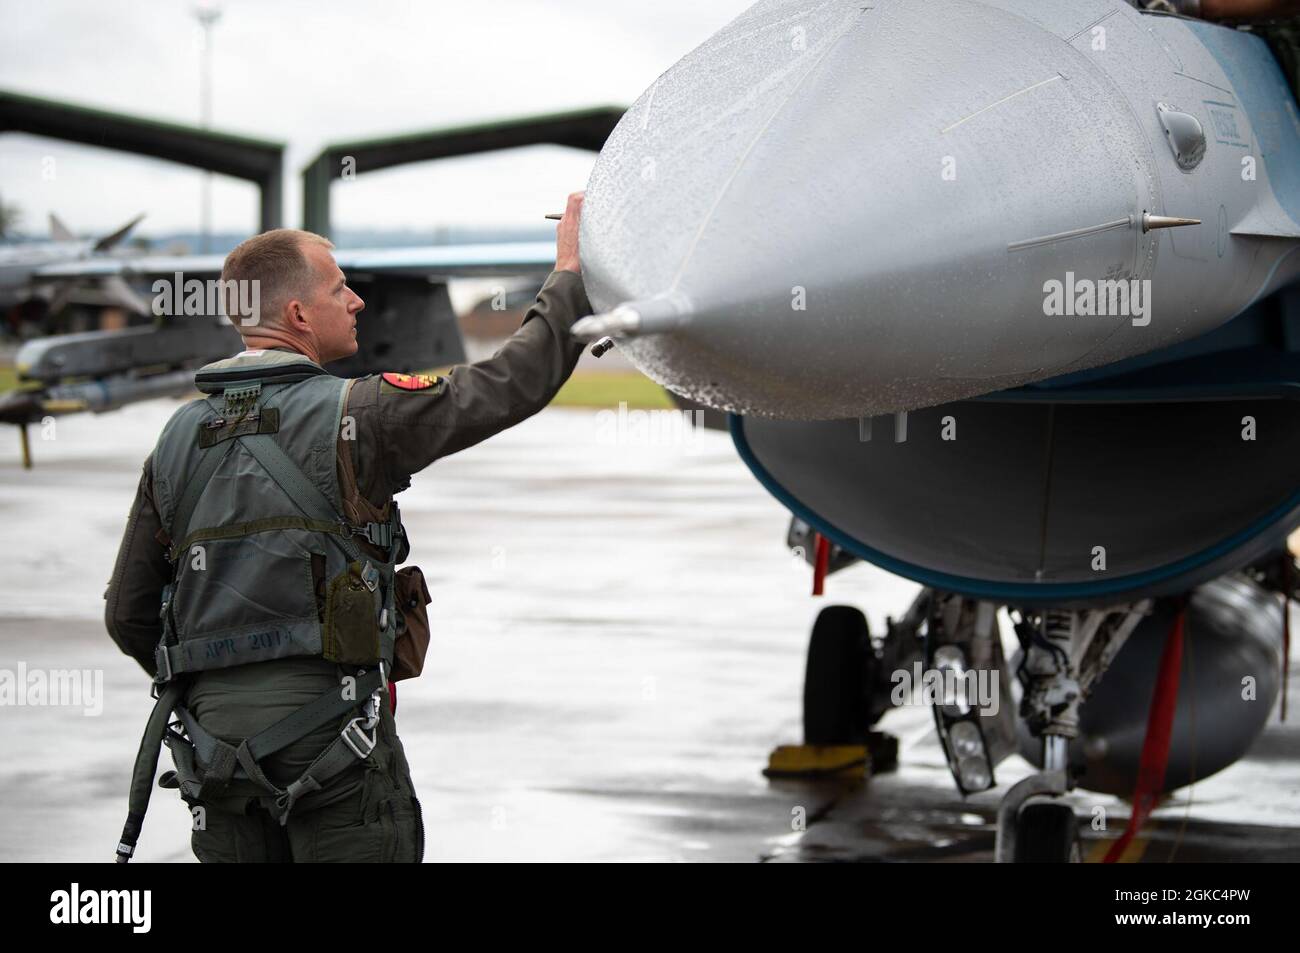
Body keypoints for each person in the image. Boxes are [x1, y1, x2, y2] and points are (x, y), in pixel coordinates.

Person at [104, 192, 591, 862]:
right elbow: (511, 383)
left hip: (215, 760)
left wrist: (216, 693)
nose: (358, 301)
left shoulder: (177, 438)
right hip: (334, 749)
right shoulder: (360, 415)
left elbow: (129, 615)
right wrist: (568, 277)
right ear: (299, 313)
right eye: (341, 289)